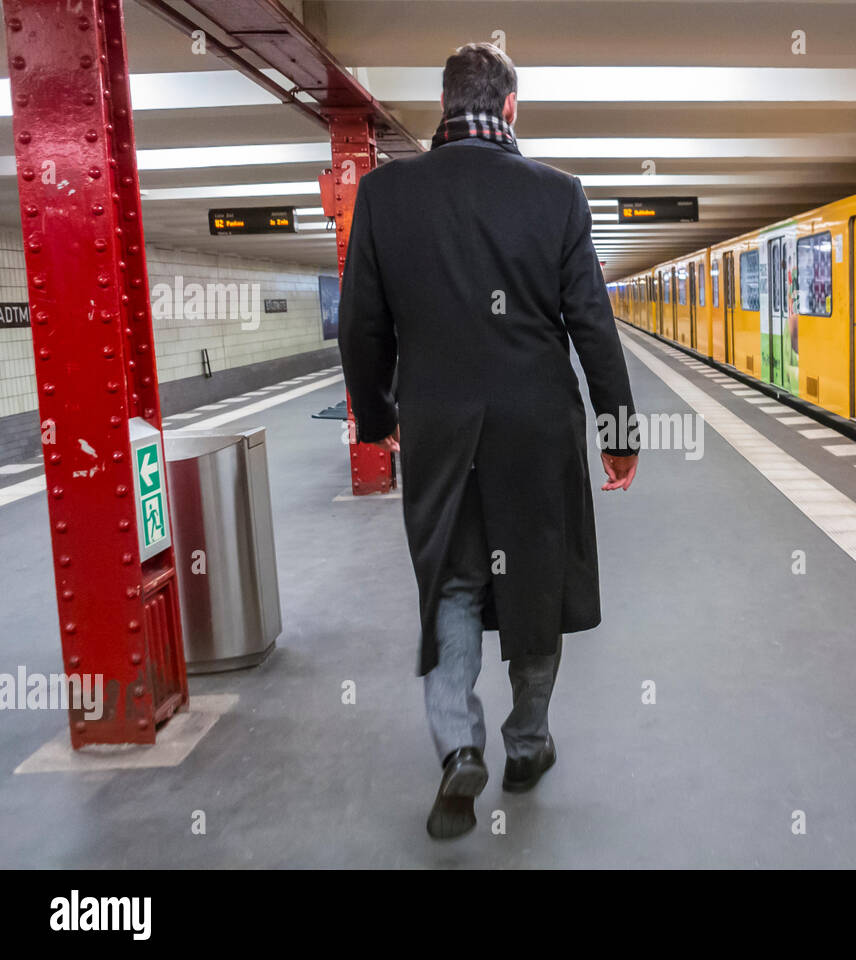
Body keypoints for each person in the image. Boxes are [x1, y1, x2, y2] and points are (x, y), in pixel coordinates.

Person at [339, 41, 639, 840]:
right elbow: (592, 328)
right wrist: (618, 430)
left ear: (445, 106)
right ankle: (527, 744)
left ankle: (457, 748)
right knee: (536, 579)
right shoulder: (559, 196)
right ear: (510, 107)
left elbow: (361, 329)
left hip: (439, 426)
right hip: (536, 425)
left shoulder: (384, 194)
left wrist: (378, 421)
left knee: (454, 583)